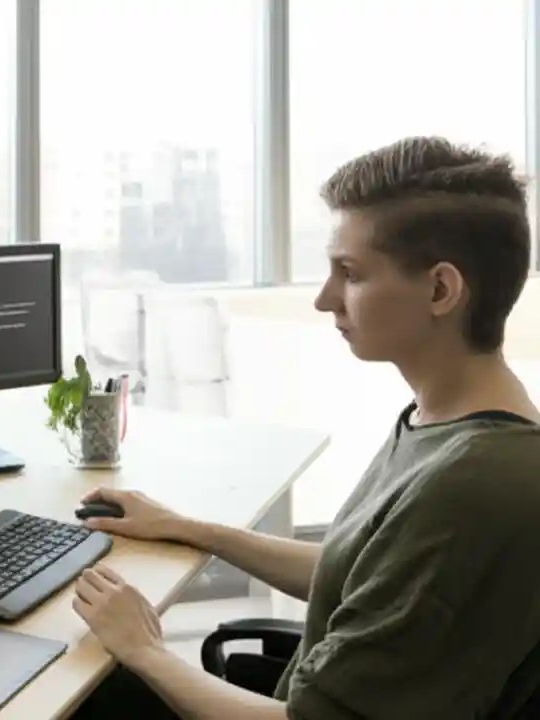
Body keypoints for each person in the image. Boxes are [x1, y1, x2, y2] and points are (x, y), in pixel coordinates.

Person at [72, 136, 540, 719]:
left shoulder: (473, 484)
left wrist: (146, 649)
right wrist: (189, 529)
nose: (324, 299)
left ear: (441, 290)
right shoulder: (443, 423)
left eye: (350, 273)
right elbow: (362, 574)